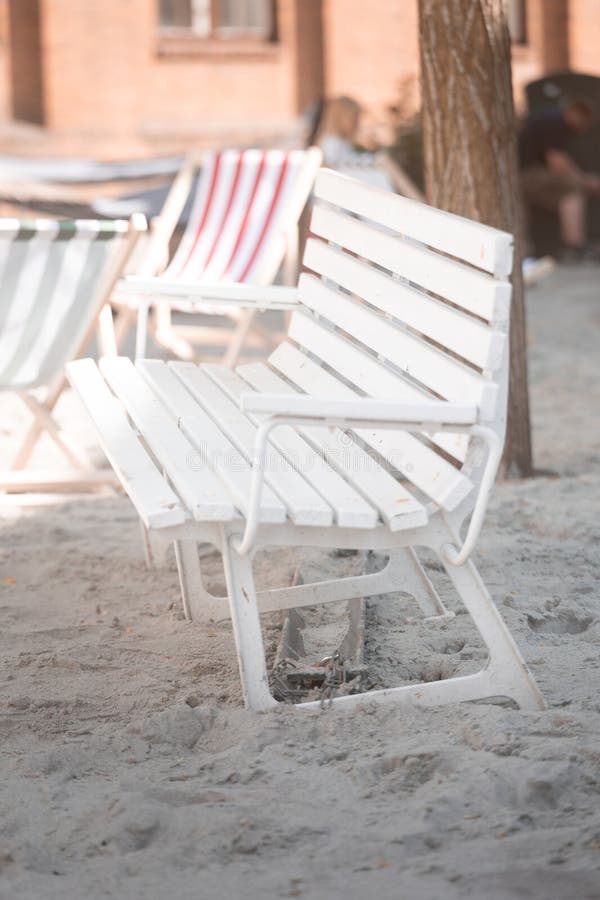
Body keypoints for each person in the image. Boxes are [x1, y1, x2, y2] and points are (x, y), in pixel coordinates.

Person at [519, 99, 600, 260]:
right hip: (526, 175)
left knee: (571, 193)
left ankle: (574, 246)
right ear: (576, 113)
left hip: (529, 176)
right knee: (574, 187)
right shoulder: (555, 121)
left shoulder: (553, 119)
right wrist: (585, 180)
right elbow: (557, 161)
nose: (583, 127)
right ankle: (575, 246)